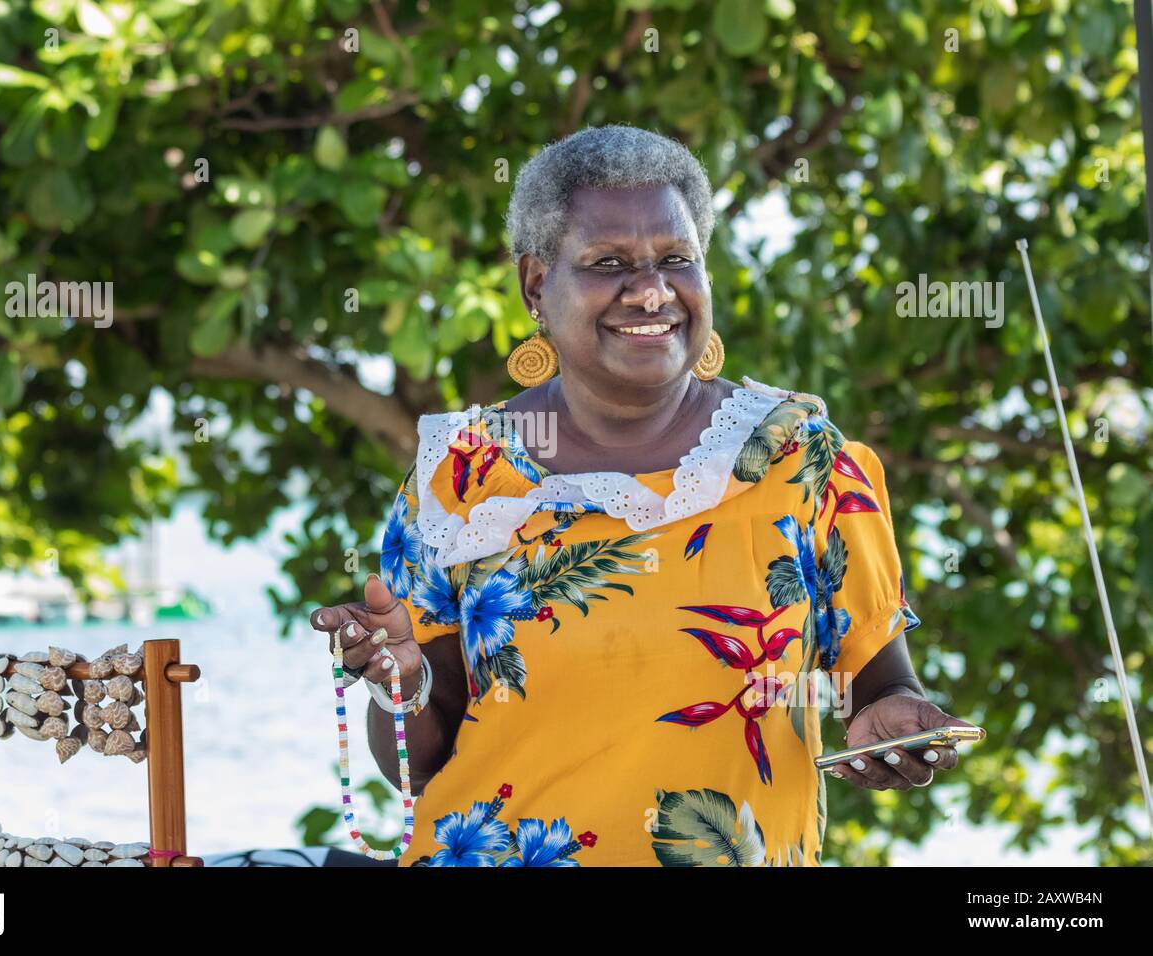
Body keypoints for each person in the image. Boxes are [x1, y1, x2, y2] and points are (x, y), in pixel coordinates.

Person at [310, 124, 974, 867]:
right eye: (609, 263)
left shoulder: (802, 458)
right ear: (536, 284)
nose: (652, 289)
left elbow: (873, 686)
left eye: (676, 259)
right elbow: (420, 763)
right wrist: (398, 686)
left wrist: (889, 724)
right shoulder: (460, 474)